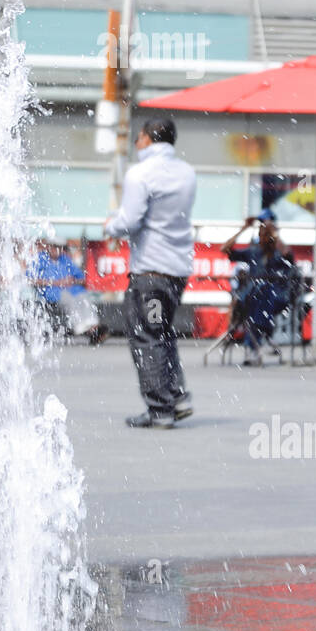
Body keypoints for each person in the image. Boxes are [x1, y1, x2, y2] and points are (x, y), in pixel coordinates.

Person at [104, 117, 197, 428]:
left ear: (145, 138)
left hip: (150, 272)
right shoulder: (187, 173)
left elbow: (130, 220)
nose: (135, 143)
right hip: (177, 270)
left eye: (138, 138)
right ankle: (177, 396)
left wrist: (111, 225)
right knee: (163, 331)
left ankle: (160, 409)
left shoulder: (140, 174)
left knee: (146, 335)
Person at [221, 209, 300, 367]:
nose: (265, 237)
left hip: (274, 298)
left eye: (267, 235)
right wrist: (243, 228)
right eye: (263, 234)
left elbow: (288, 256)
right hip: (253, 299)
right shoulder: (253, 252)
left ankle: (254, 343)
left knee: (263, 294)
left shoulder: (278, 253)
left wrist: (275, 234)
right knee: (257, 296)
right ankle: (261, 335)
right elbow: (225, 249)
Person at [30, 229, 107, 344]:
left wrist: (72, 281)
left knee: (83, 296)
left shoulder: (65, 259)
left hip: (71, 289)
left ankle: (92, 325)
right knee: (69, 298)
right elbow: (31, 279)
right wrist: (55, 282)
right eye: (54, 246)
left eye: (59, 247)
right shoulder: (40, 259)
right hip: (52, 291)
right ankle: (84, 327)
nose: (57, 250)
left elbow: (81, 278)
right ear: (49, 247)